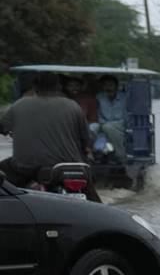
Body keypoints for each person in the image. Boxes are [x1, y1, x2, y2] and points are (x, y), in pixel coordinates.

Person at [0, 72, 101, 202]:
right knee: (93, 198)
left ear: (35, 87)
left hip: (28, 166)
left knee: (7, 186)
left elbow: (3, 128)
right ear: (59, 87)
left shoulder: (19, 105)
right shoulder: (72, 106)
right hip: (71, 164)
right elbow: (86, 139)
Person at [96, 74, 127, 161]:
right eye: (105, 85)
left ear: (116, 86)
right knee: (94, 128)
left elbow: (127, 115)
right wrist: (102, 123)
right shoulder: (99, 97)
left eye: (111, 84)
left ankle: (120, 155)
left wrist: (109, 125)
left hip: (121, 124)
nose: (108, 87)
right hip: (103, 124)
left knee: (108, 128)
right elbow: (98, 113)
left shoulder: (124, 97)